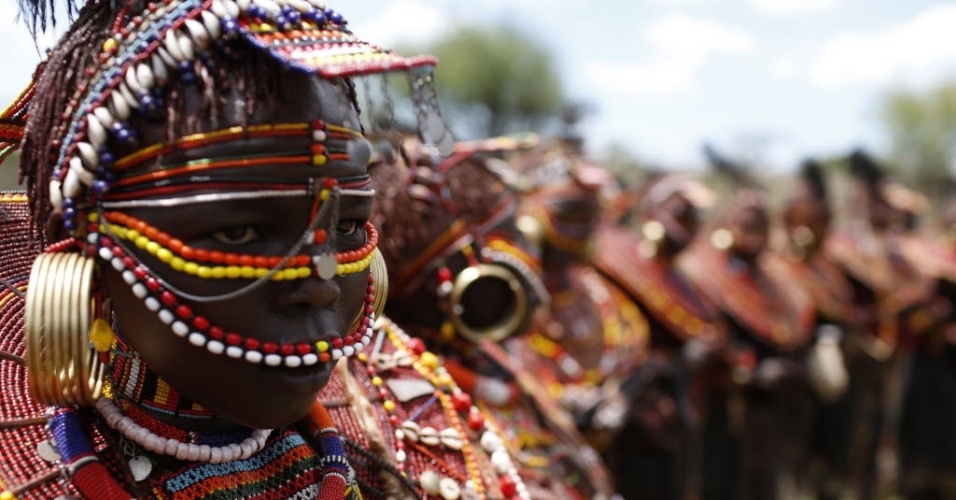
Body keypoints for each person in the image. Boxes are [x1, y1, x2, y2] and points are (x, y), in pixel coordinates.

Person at [0, 0, 441, 498]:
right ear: (87, 248)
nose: (320, 285)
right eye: (240, 233)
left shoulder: (415, 438)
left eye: (349, 225)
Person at [370, 136, 616, 499]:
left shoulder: (494, 361)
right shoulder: (385, 394)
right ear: (441, 275)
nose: (524, 256)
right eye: (501, 239)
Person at [592, 173, 727, 500]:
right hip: (624, 413)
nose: (688, 227)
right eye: (681, 215)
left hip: (675, 417)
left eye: (694, 220)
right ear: (651, 212)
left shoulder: (687, 283)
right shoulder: (613, 260)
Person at [684, 189, 817, 500]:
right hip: (720, 403)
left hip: (767, 409)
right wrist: (743, 368)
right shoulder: (701, 273)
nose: (751, 234)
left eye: (759, 226)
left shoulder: (777, 282)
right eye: (745, 224)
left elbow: (792, 335)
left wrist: (788, 368)